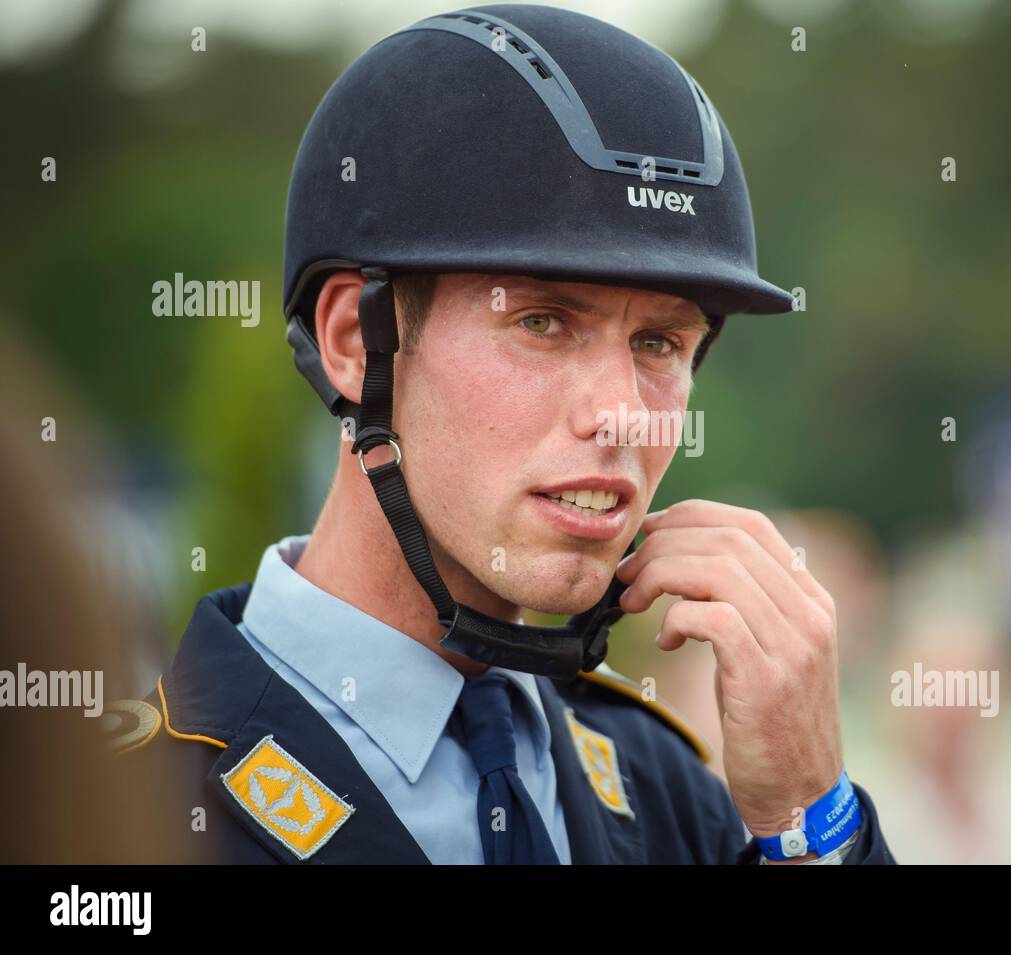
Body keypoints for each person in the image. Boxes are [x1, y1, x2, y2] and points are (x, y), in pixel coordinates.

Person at [119, 3, 895, 865]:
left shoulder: (665, 782)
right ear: (352, 341)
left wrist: (811, 822)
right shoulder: (117, 808)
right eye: (542, 322)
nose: (621, 411)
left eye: (659, 342)